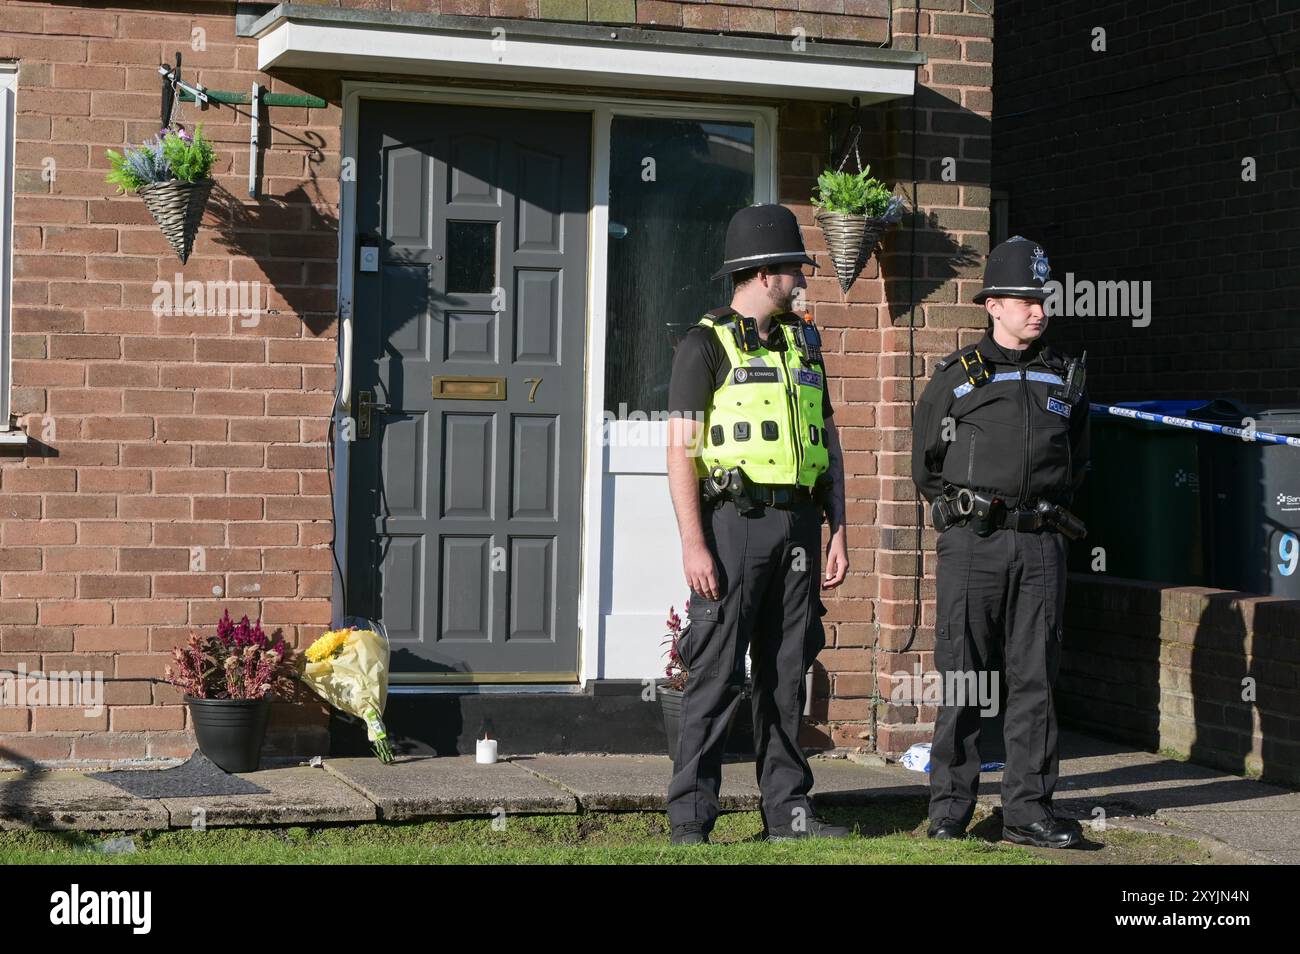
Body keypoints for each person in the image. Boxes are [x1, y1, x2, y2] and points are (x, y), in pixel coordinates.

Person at [664, 203, 849, 845]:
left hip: (798, 525)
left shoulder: (806, 342)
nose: (802, 278)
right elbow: (680, 452)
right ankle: (690, 823)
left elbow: (827, 441)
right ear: (766, 273)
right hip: (733, 527)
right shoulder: (703, 344)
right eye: (795, 267)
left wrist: (839, 528)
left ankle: (789, 817)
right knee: (715, 674)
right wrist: (695, 545)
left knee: (786, 671)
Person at [910, 235, 1090, 849]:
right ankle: (950, 811)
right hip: (974, 544)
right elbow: (925, 465)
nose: (1037, 309)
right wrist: (969, 513)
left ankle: (1027, 813)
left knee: (1035, 679)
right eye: (1024, 299)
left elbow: (1079, 462)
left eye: (1043, 298)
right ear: (992, 304)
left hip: (1042, 545)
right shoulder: (957, 378)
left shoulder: (1065, 378)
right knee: (963, 678)